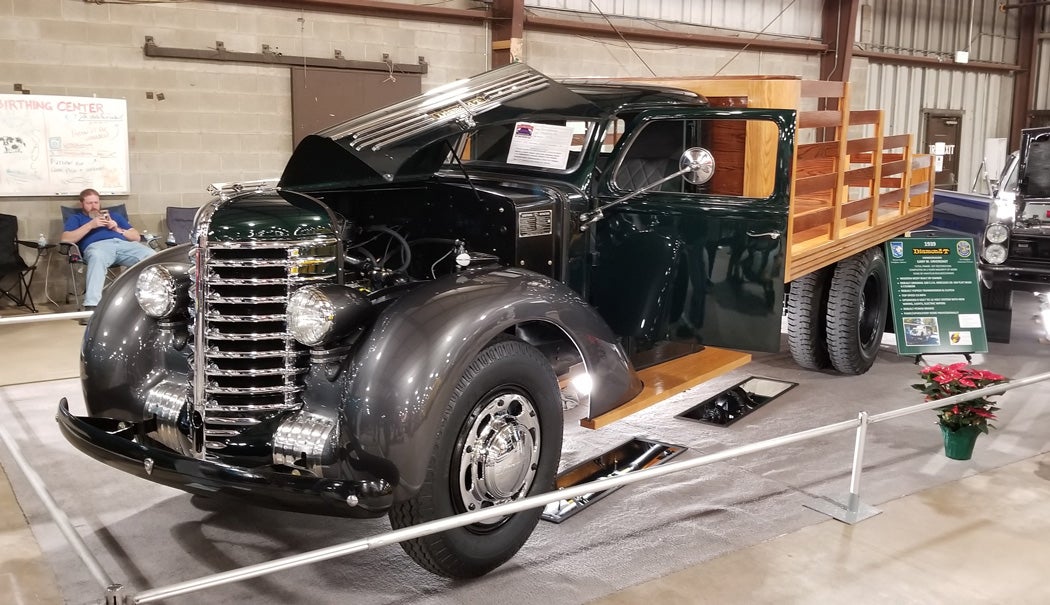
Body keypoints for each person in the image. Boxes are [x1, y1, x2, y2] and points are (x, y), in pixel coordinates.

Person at [61, 188, 155, 312]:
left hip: (122, 245)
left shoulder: (114, 216)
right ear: (81, 204)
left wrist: (117, 229)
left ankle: (152, 300)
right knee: (97, 258)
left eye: (96, 202)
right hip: (97, 247)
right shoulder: (76, 218)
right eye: (89, 203)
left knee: (152, 255)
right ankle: (92, 306)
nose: (93, 206)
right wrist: (90, 225)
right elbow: (66, 239)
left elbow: (136, 237)